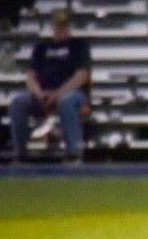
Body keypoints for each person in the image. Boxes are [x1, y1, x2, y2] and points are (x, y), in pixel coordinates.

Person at [9, 11, 92, 163]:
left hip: (71, 93)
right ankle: (20, 153)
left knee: (66, 102)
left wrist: (58, 93)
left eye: (64, 26)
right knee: (18, 102)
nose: (61, 29)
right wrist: (39, 93)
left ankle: (73, 152)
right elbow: (31, 76)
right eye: (58, 26)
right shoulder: (41, 47)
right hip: (44, 93)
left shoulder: (79, 45)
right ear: (52, 27)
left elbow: (82, 75)